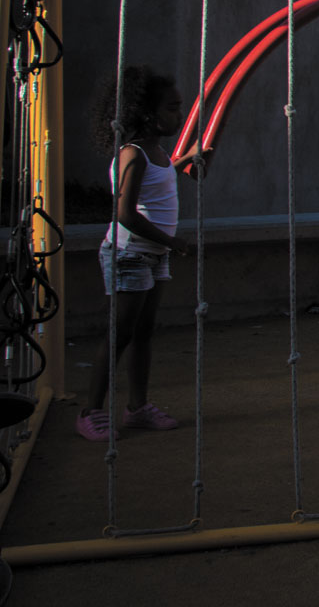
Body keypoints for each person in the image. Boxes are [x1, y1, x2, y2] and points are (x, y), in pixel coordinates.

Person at [77, 66, 208, 442]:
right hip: (130, 253)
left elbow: (162, 179)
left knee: (144, 332)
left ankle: (138, 407)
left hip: (152, 254)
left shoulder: (158, 152)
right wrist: (173, 242)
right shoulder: (132, 155)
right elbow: (125, 214)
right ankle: (90, 412)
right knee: (119, 333)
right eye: (172, 108)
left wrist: (186, 160)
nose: (179, 115)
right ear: (145, 113)